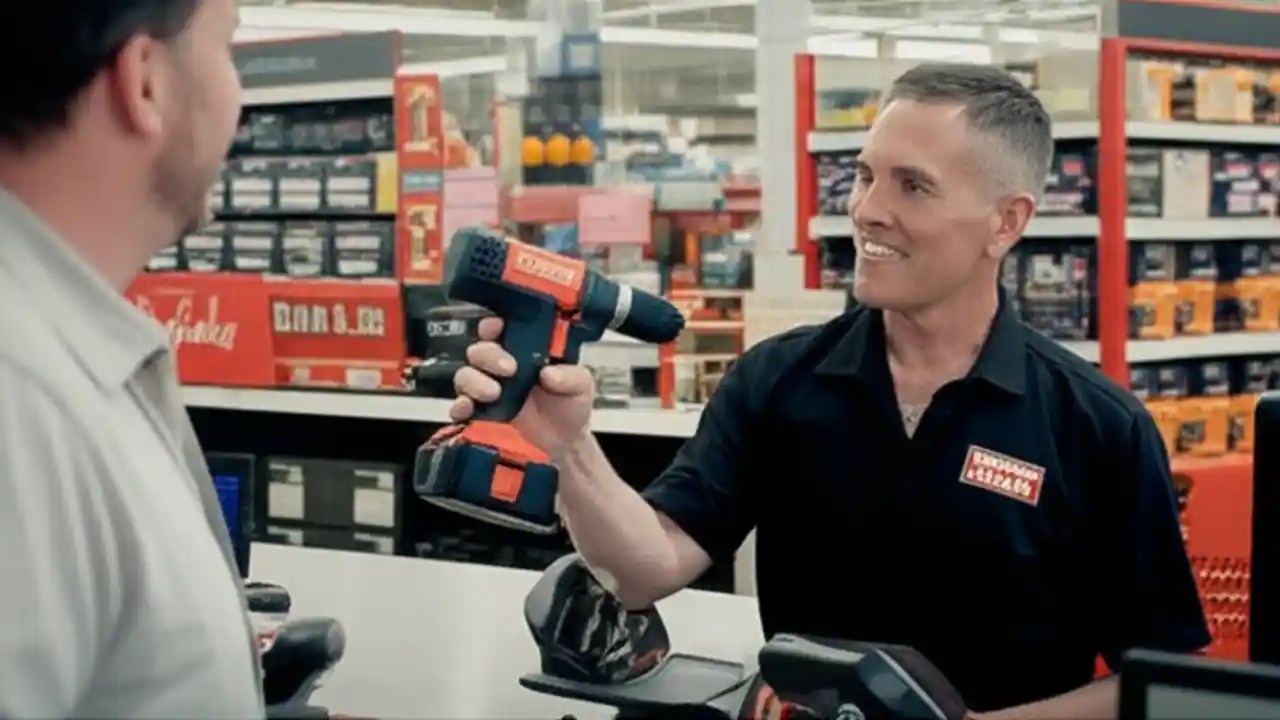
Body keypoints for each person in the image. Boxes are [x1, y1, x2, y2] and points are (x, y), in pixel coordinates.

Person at [453, 63, 1210, 718]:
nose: (868, 208)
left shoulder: (1096, 426)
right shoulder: (777, 382)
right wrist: (567, 446)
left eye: (913, 186)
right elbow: (647, 567)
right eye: (867, 173)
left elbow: (1164, 682)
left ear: (1005, 222)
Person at [0, 1, 262, 717]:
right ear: (144, 79)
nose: (241, 97)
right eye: (227, 48)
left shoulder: (67, 354)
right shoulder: (21, 399)